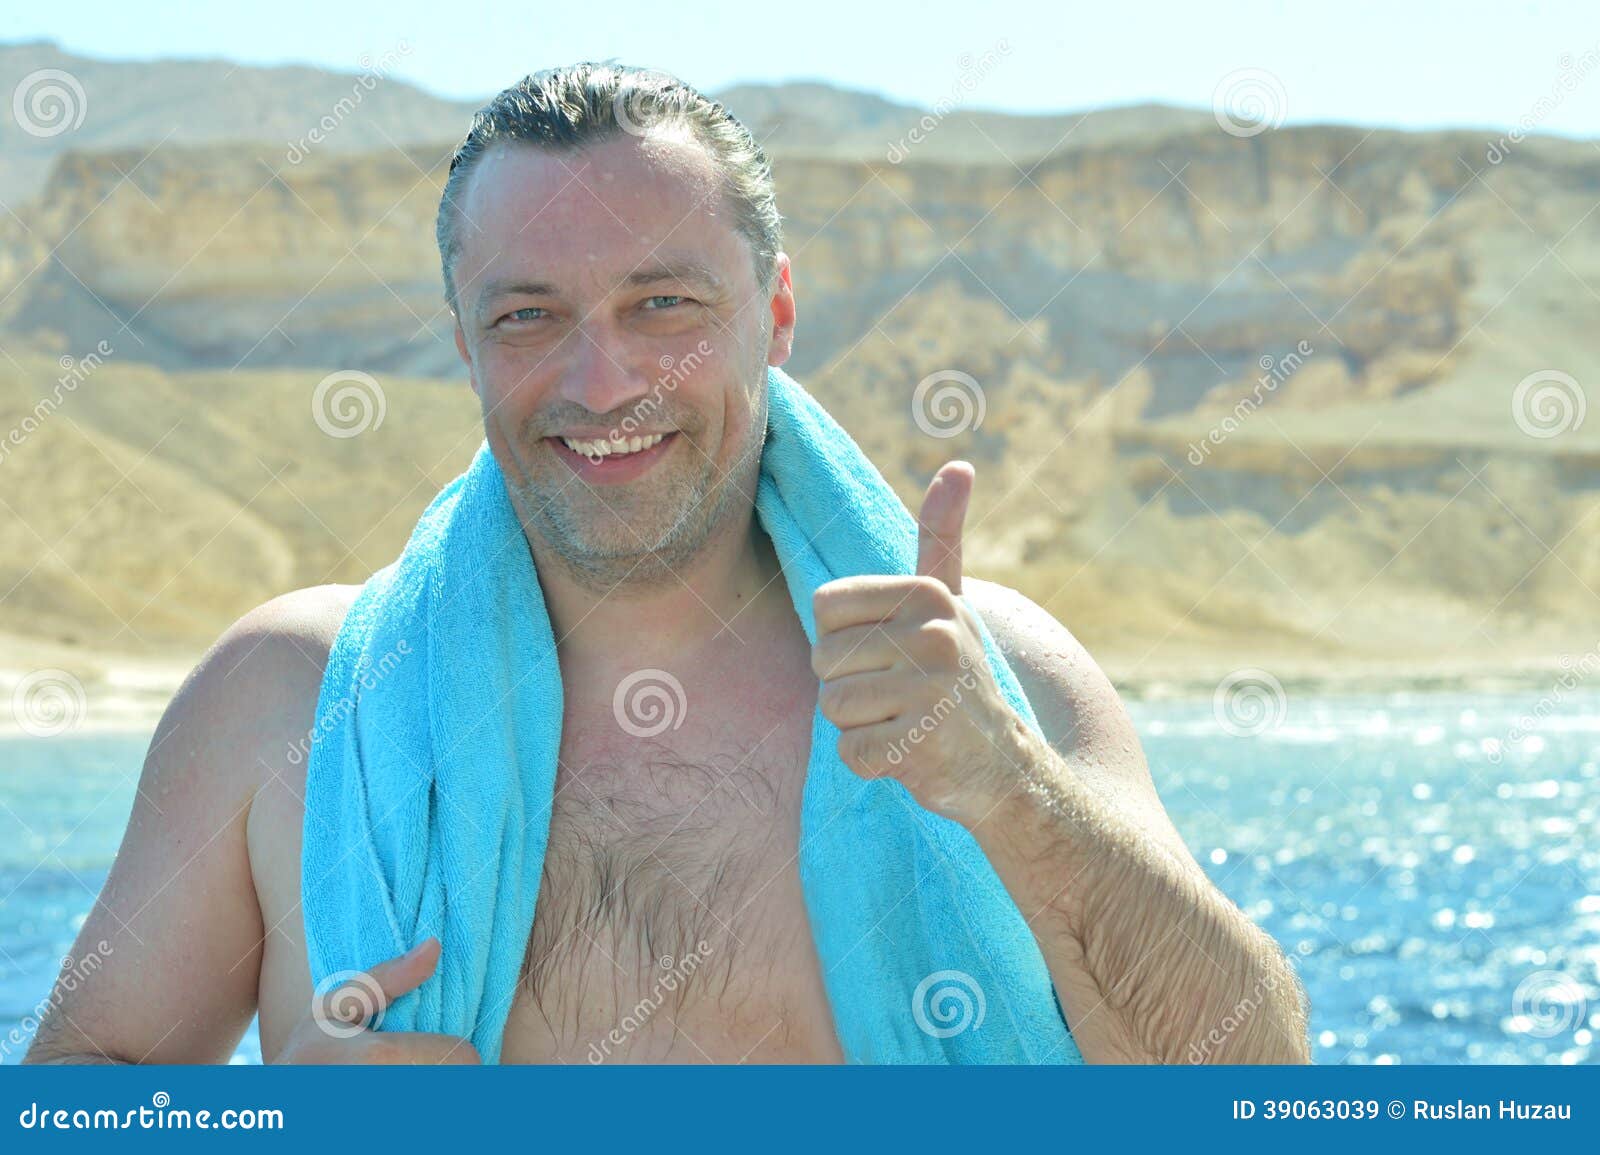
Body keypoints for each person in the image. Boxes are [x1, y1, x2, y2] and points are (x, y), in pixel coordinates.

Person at [25, 62, 1308, 1065]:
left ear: (778, 315)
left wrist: (1013, 791)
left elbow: (1262, 1087)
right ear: (467, 344)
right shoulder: (289, 705)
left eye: (665, 306)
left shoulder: (987, 672)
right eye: (528, 316)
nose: (603, 381)